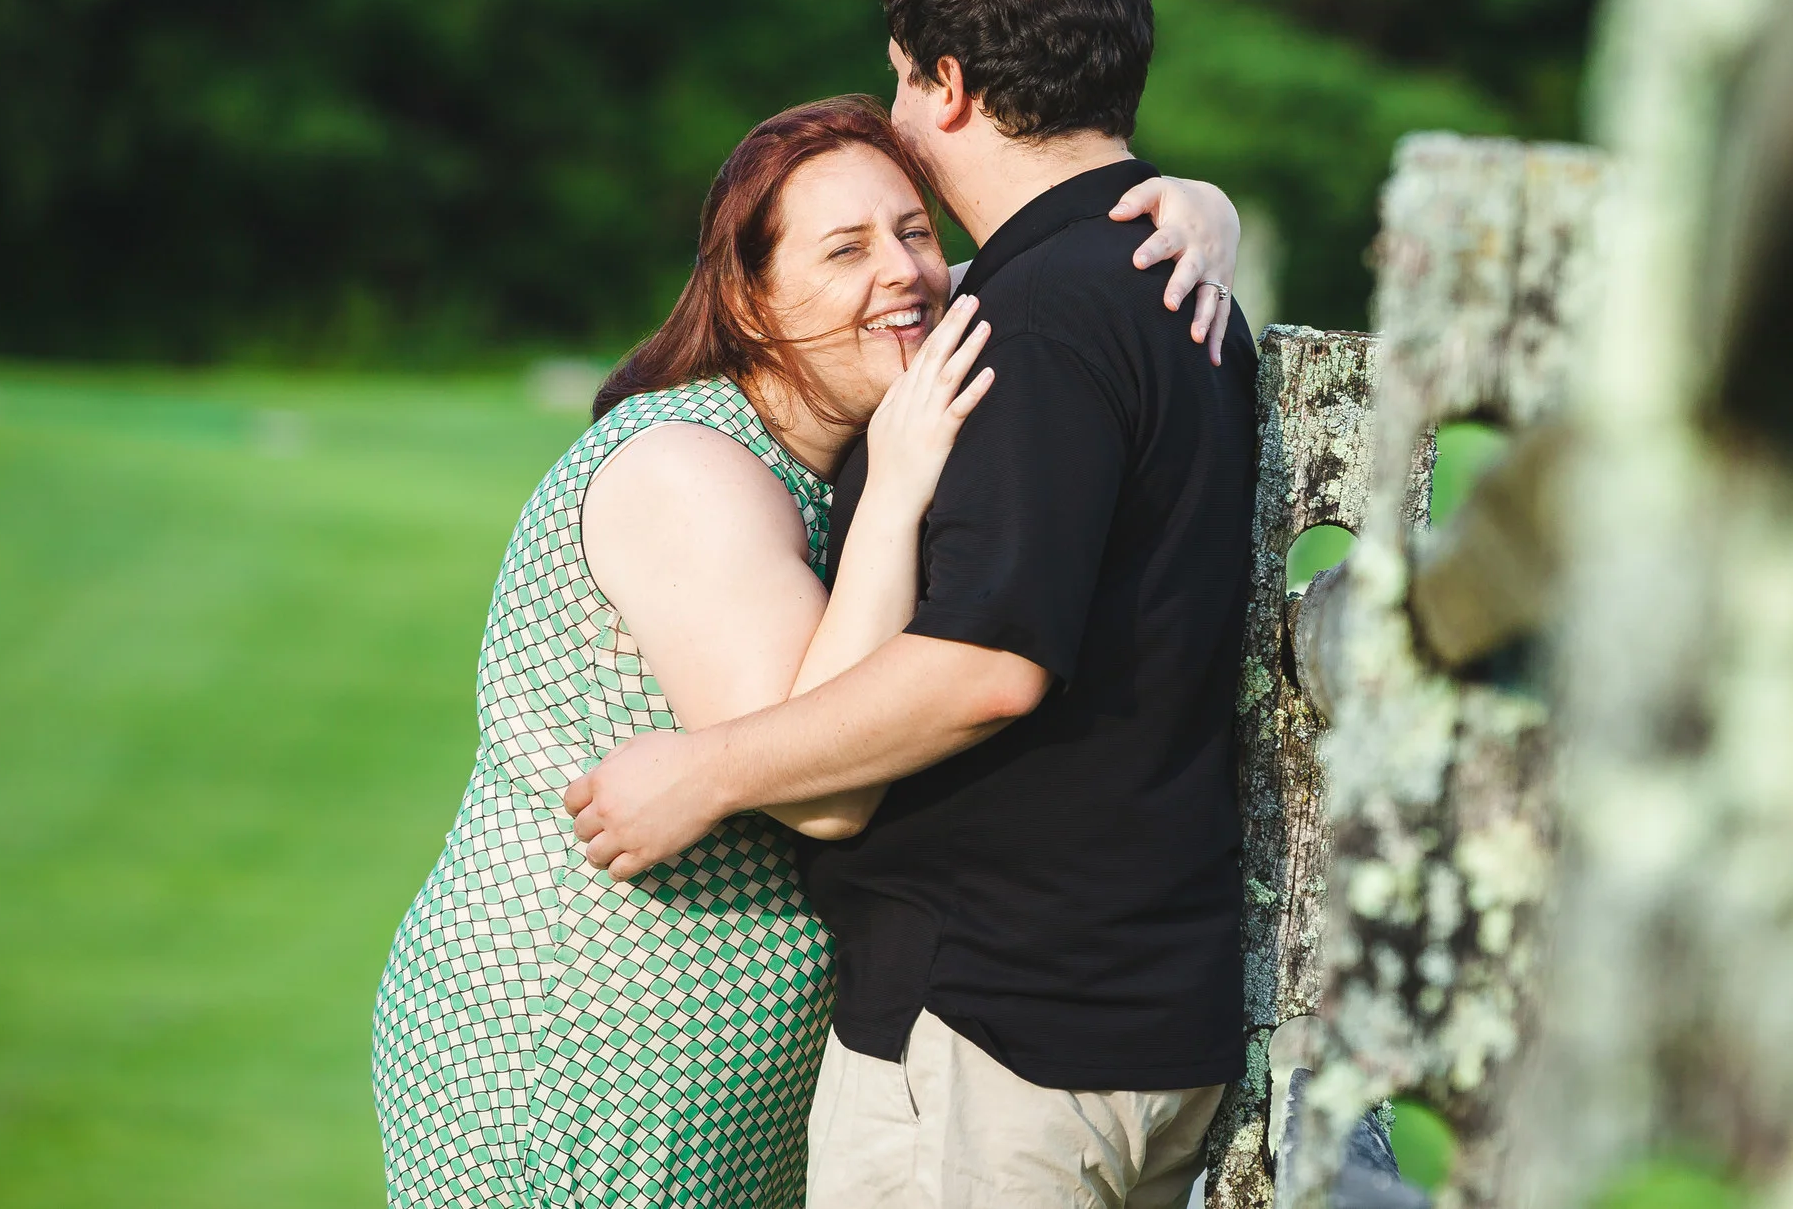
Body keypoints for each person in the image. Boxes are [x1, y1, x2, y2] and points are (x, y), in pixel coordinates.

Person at [372, 92, 1244, 1208]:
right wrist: (899, 489)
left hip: (736, 1068)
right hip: (577, 1044)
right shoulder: (690, 468)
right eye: (844, 248)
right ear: (753, 296)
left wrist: (1196, 212)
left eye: (915, 230)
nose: (905, 271)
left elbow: (1059, 249)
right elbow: (827, 799)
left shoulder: (894, 355)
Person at [569, 0, 1260, 1208]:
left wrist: (704, 769)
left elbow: (986, 666)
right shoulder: (1181, 285)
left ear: (949, 82)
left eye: (901, 73)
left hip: (1001, 1036)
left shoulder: (1033, 326)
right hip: (1142, 1005)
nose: (895, 105)